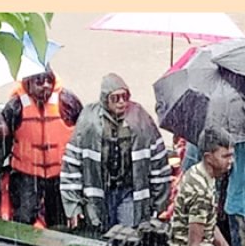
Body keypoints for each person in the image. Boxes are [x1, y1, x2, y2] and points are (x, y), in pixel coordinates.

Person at [60, 74, 171, 232]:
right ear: (105, 99)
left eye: (124, 97)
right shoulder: (89, 120)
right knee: (102, 235)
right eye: (116, 98)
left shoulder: (140, 119)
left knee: (128, 235)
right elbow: (71, 164)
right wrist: (73, 205)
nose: (121, 102)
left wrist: (160, 203)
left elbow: (159, 163)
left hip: (129, 191)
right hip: (100, 193)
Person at [1, 69, 83, 226]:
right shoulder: (15, 106)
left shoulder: (67, 101)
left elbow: (83, 133)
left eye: (49, 81)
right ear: (28, 83)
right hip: (26, 175)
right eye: (39, 82)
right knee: (24, 219)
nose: (45, 86)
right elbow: (3, 144)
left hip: (60, 175)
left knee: (59, 220)